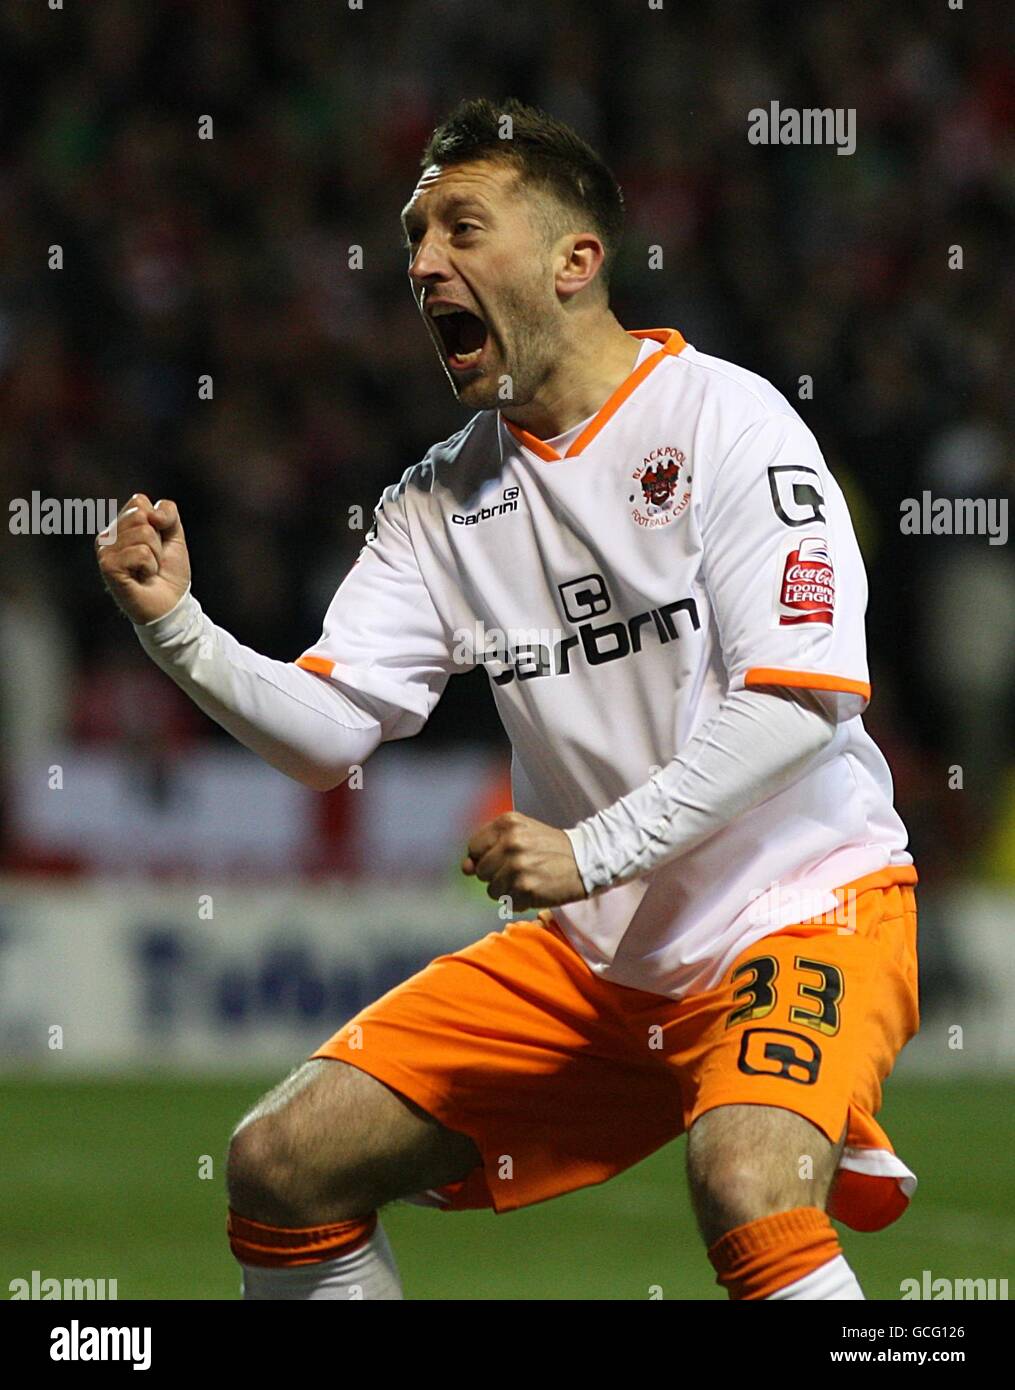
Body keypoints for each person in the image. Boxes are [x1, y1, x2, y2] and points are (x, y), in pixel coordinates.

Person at [96, 98, 918, 1301]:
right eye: (415, 238)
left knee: (745, 1179)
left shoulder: (731, 423)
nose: (424, 262)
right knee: (280, 1164)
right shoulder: (439, 501)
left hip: (795, 910)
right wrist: (179, 627)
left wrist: (591, 849)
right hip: (597, 962)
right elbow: (329, 735)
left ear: (574, 262)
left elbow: (801, 703)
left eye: (462, 229)